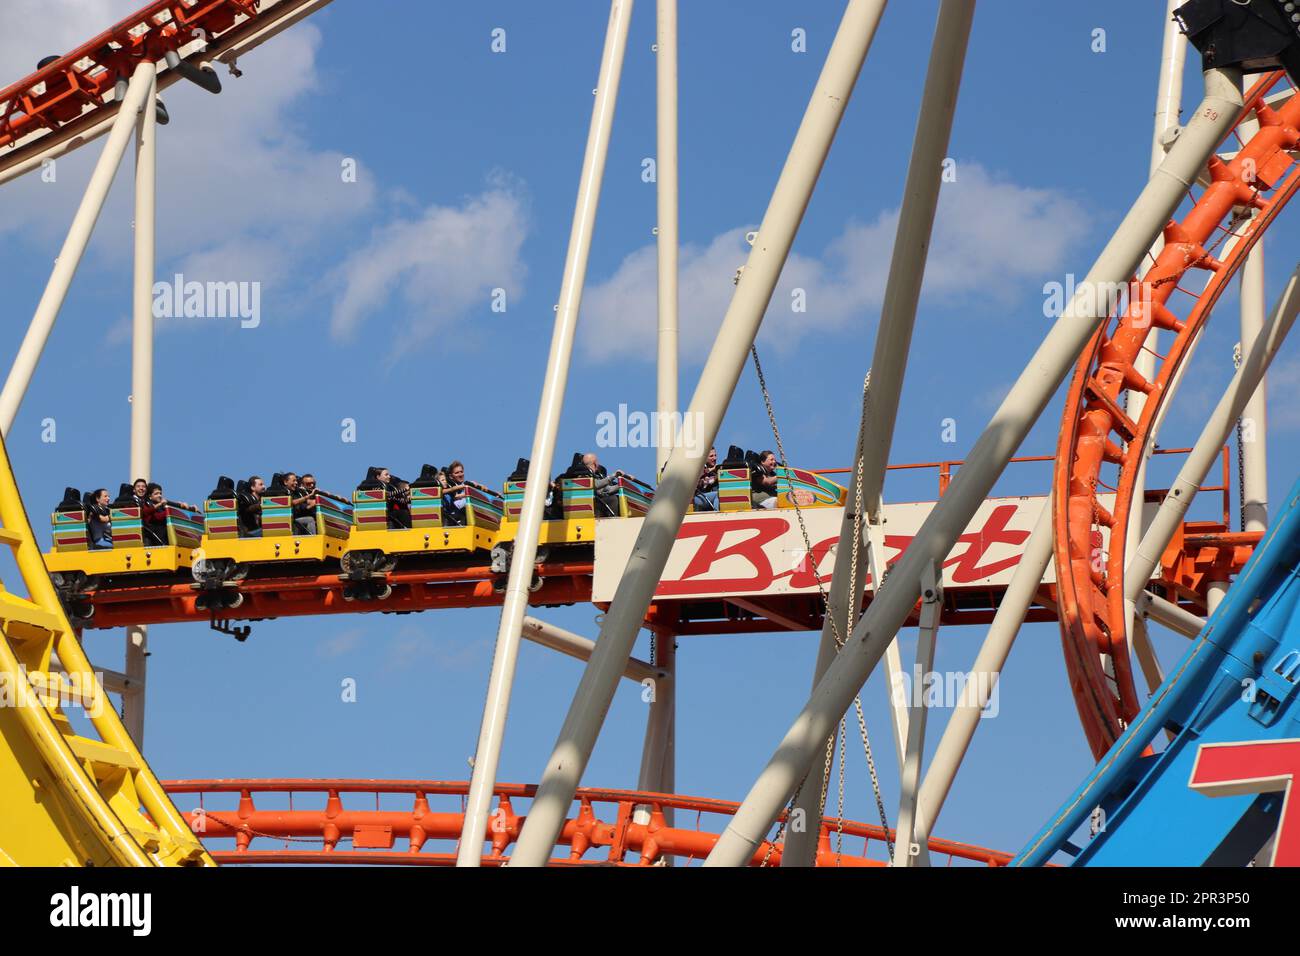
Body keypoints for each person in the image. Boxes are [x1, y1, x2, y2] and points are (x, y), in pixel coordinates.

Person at [583, 452, 632, 518]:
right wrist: (614, 475)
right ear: (595, 463)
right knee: (613, 499)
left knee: (617, 497)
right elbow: (595, 485)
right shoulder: (583, 474)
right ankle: (614, 521)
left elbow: (608, 490)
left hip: (594, 501)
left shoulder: (592, 475)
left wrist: (625, 483)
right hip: (590, 503)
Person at [694, 447, 720, 511]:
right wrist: (714, 473)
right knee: (719, 494)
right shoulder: (699, 469)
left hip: (707, 497)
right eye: (711, 456)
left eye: (715, 455)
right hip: (697, 498)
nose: (715, 458)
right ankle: (717, 516)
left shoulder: (716, 470)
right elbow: (704, 482)